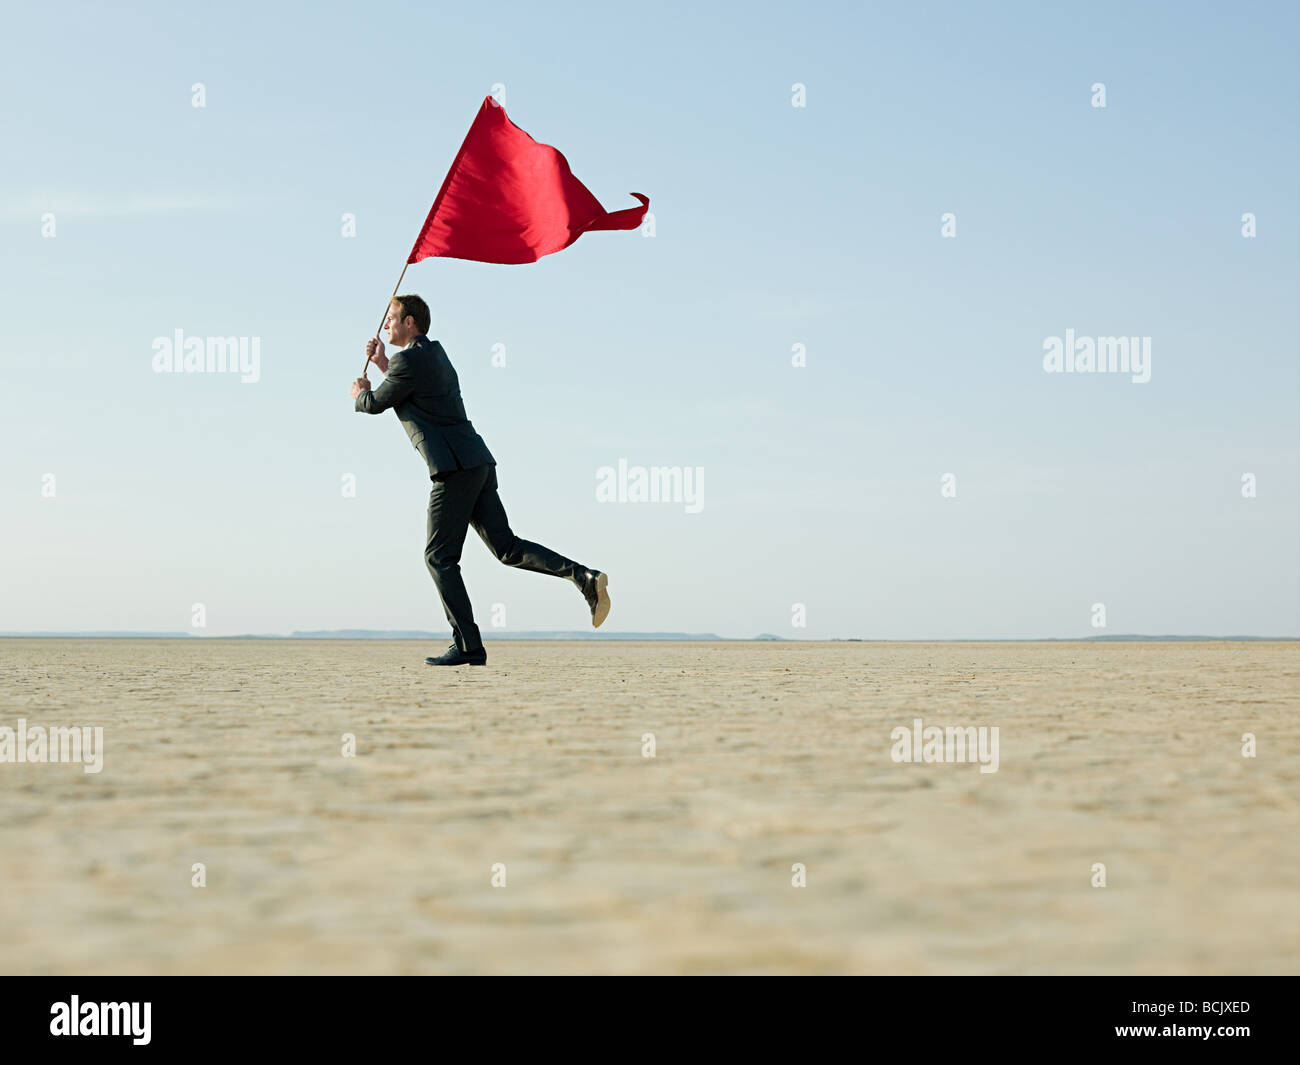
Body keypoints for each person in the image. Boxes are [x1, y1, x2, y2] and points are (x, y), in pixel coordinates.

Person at [350, 294, 610, 666]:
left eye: (391, 318)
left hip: (453, 471)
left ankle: (469, 645)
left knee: (438, 557)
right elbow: (412, 388)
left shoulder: (408, 361)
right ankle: (583, 577)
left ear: (411, 323)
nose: (385, 325)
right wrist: (382, 364)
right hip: (478, 463)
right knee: (507, 547)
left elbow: (378, 402)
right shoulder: (435, 354)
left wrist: (360, 394)